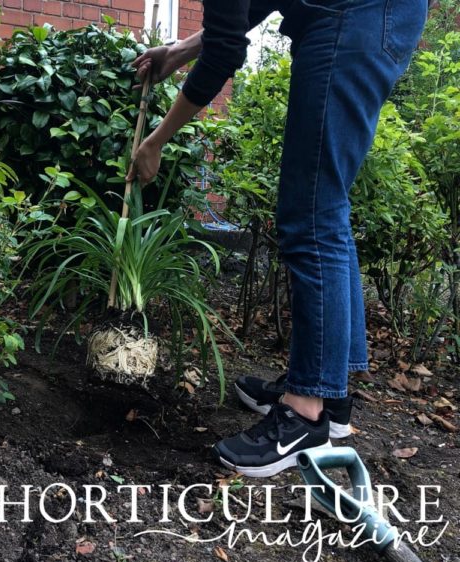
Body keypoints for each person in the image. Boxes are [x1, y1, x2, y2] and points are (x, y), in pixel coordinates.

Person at [128, 0, 428, 478]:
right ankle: (327, 393)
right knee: (325, 206)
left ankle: (304, 413)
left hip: (353, 17)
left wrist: (157, 140)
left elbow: (226, 50)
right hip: (367, 16)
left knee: (312, 214)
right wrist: (182, 49)